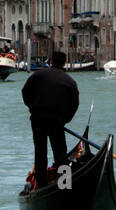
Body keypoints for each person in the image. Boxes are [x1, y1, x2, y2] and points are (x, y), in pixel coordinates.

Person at [21, 50, 80, 187]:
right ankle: (64, 183)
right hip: (57, 120)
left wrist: (31, 107)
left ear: (51, 61)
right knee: (60, 152)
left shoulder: (38, 75)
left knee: (40, 151)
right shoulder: (70, 81)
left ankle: (41, 183)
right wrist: (65, 119)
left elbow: (25, 92)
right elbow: (74, 104)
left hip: (38, 118)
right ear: (65, 63)